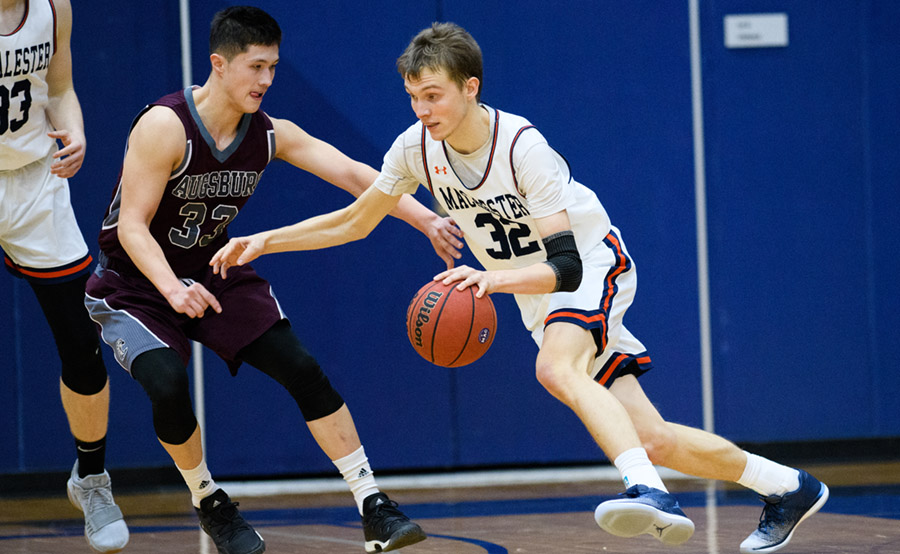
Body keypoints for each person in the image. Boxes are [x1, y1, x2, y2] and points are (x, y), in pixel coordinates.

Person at [211, 22, 831, 553]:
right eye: (413, 97)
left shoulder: (523, 147)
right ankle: (789, 487)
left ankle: (650, 493)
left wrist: (490, 280)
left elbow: (564, 267)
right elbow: (354, 220)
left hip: (589, 265)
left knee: (555, 369)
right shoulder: (414, 149)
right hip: (531, 291)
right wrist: (266, 240)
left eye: (433, 96)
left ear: (470, 87)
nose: (422, 110)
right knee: (654, 434)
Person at [83, 7, 463, 554]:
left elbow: (357, 175)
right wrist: (171, 290)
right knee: (165, 384)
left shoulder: (269, 134)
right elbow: (133, 226)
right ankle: (209, 500)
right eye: (255, 66)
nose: (266, 80)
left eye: (273, 67)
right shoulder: (166, 125)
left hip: (213, 268)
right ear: (219, 64)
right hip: (134, 283)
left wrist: (424, 218)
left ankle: (373, 503)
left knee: (302, 368)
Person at [0, 1, 129, 551]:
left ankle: (92, 481)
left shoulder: (54, 6)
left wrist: (74, 131)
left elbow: (59, 85)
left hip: (35, 180)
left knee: (82, 341)